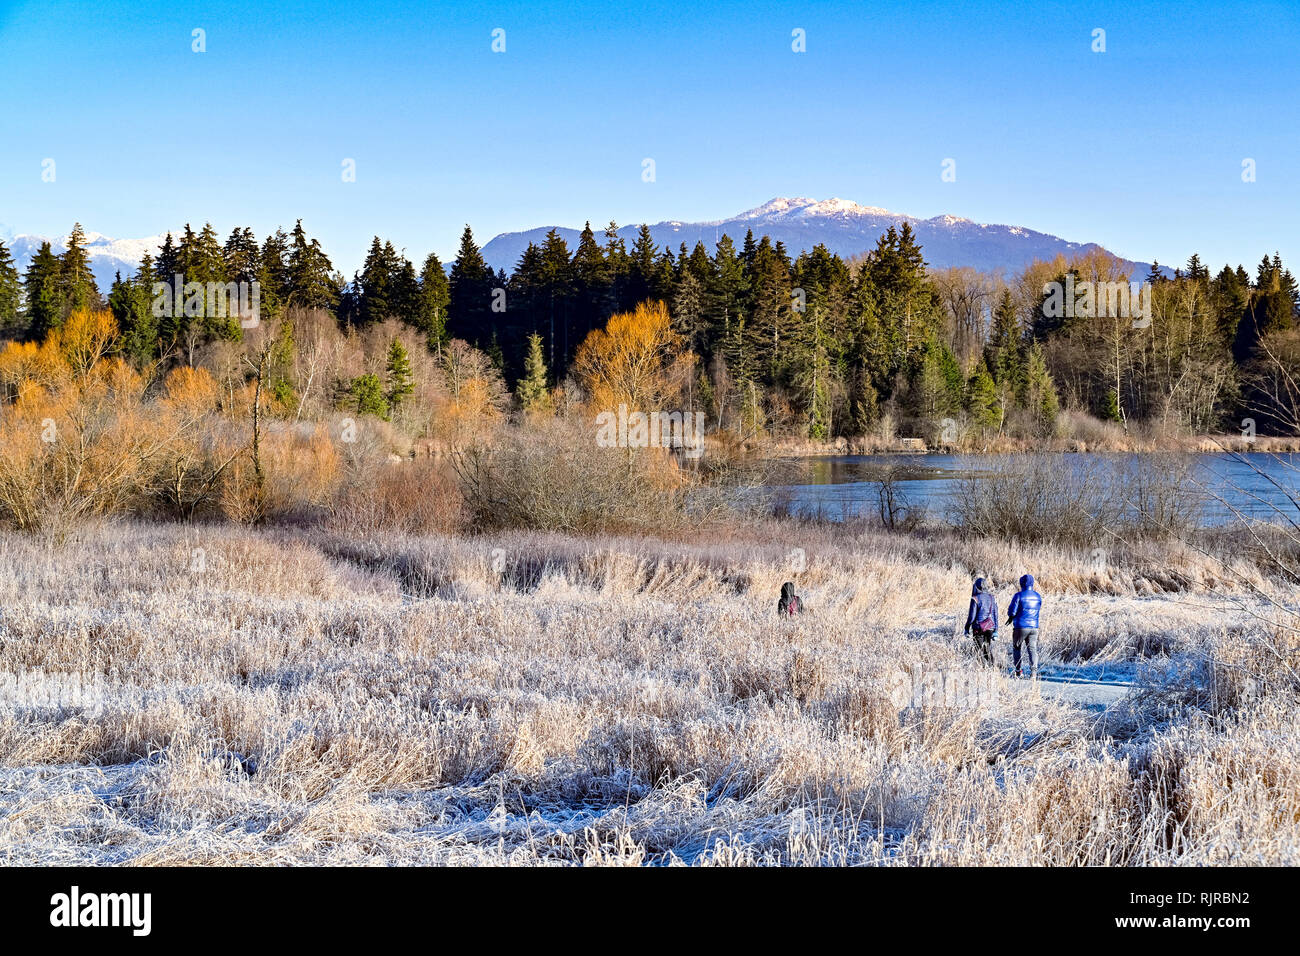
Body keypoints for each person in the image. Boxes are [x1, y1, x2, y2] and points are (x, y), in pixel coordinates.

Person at [1006, 573, 1043, 678]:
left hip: (1020, 626)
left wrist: (1010, 617)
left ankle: (1018, 672)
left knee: (1017, 648)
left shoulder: (1018, 595)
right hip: (1034, 627)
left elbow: (1012, 612)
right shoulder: (1038, 596)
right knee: (1032, 649)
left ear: (1021, 583)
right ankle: (1034, 673)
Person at [963, 577, 998, 665]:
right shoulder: (992, 597)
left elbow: (972, 616)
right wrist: (996, 629)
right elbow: (995, 614)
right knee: (987, 648)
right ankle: (992, 667)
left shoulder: (975, 598)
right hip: (990, 626)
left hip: (978, 627)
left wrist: (966, 628)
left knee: (978, 650)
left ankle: (982, 668)